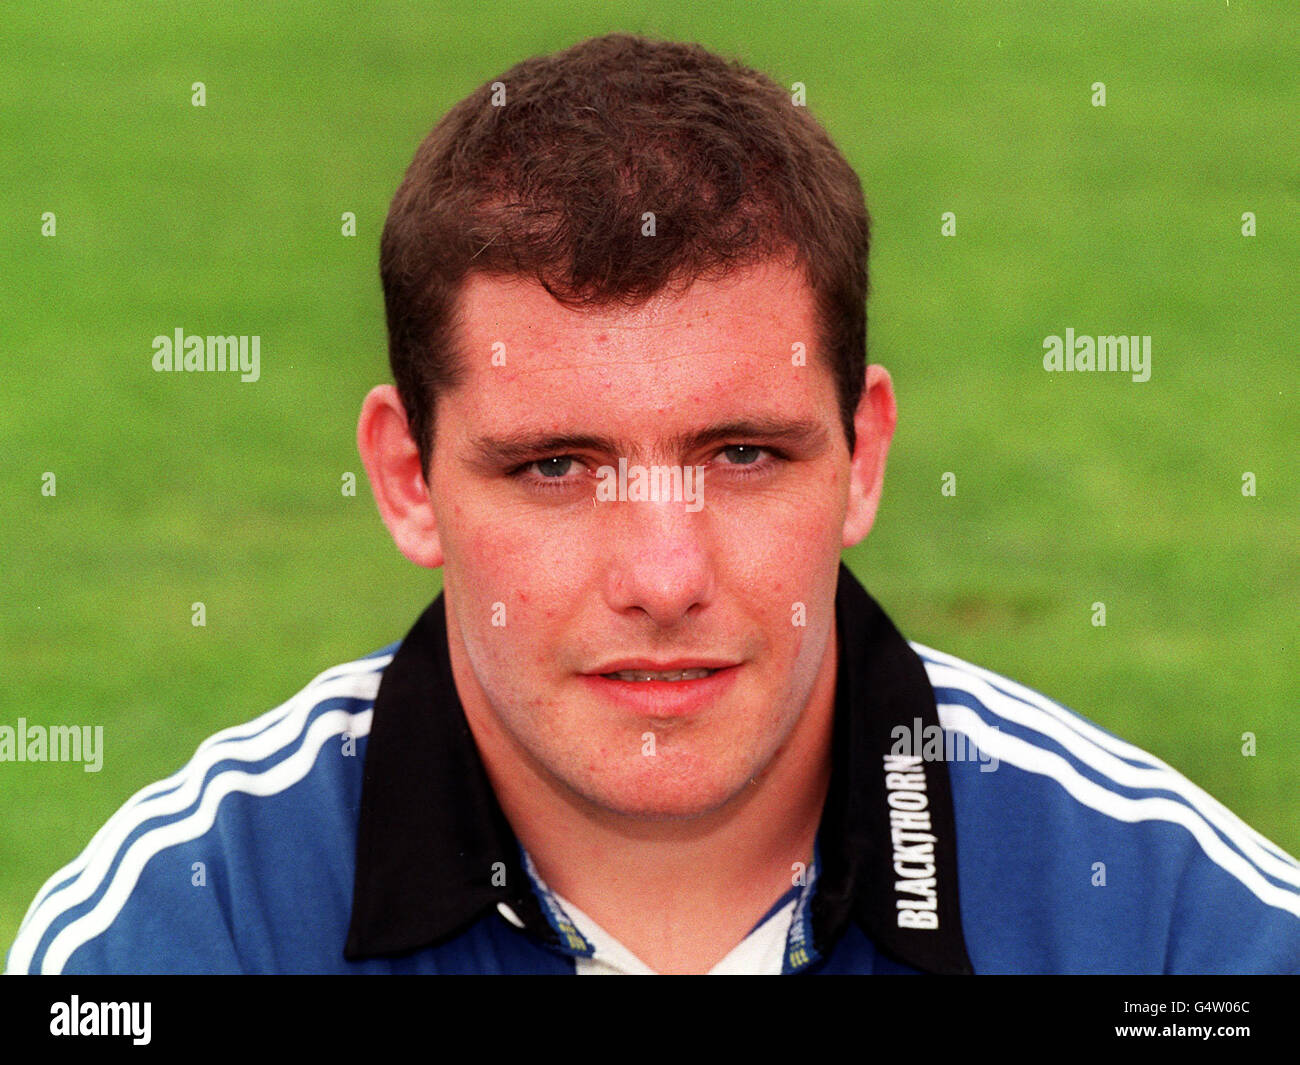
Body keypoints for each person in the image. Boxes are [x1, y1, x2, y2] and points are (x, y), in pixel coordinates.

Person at [8, 33, 1299, 976]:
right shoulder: (190, 929)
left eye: (742, 454)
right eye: (556, 467)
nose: (665, 576)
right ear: (408, 477)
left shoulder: (1173, 929)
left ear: (863, 454)